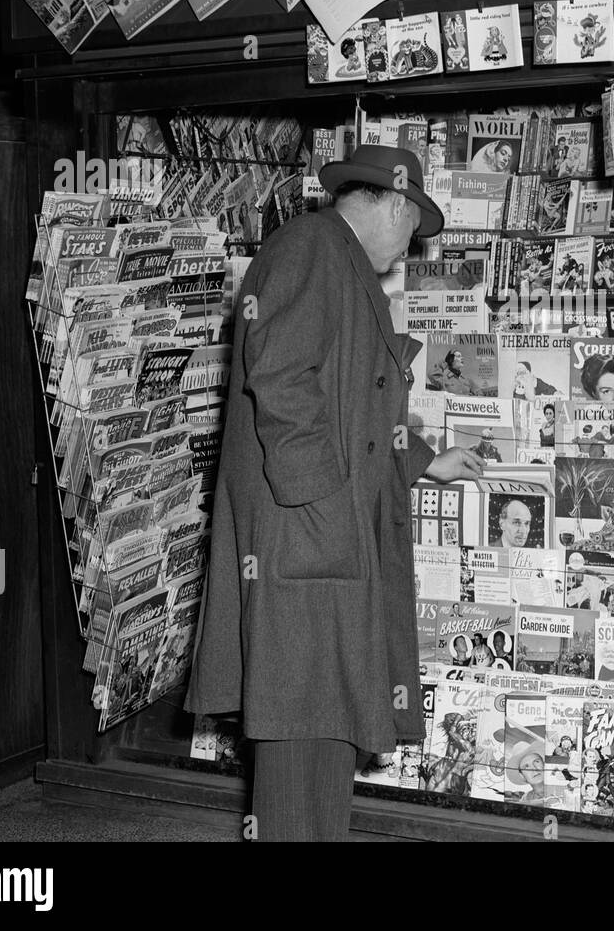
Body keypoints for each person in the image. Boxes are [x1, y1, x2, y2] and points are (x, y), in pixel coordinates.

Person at [186, 144, 486, 842]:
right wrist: (325, 515)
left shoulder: (335, 260)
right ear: (394, 203)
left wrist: (425, 463)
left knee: (326, 734)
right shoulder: (309, 248)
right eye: (412, 227)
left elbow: (358, 417)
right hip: (306, 545)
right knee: (300, 736)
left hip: (320, 539)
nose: (407, 244)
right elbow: (282, 382)